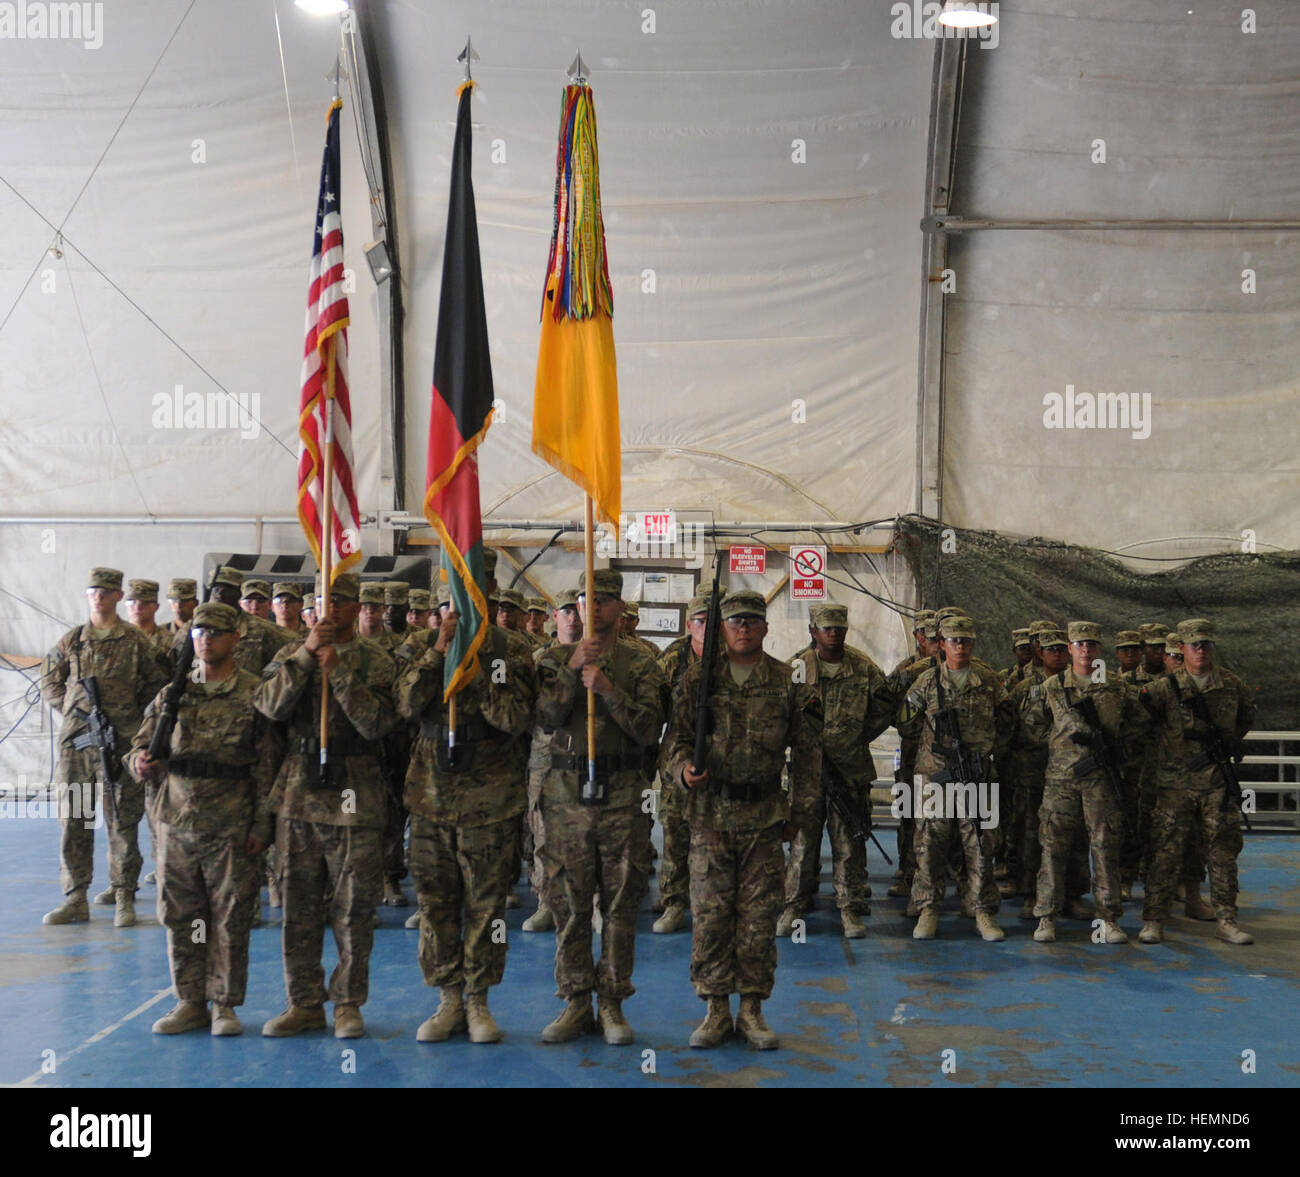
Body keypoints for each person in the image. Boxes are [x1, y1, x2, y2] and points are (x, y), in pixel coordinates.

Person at [664, 588, 817, 1050]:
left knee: (757, 920)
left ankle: (751, 1010)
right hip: (711, 816)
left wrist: (800, 814)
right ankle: (714, 1009)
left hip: (765, 818)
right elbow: (674, 742)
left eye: (752, 620)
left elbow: (808, 755)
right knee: (711, 918)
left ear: (767, 628)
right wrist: (682, 771)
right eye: (735, 621)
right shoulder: (697, 681)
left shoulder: (786, 680)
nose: (744, 627)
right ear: (722, 628)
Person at [253, 573, 399, 1038]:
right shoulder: (287, 656)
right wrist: (304, 658)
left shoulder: (378, 660)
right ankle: (304, 1002)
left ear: (358, 607)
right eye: (323, 600)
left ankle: (348, 1003)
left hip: (355, 796)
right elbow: (270, 708)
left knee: (354, 910)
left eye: (341, 600)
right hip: (297, 799)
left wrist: (337, 672)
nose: (331, 608)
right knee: (298, 909)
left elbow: (376, 723)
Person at [394, 593, 538, 1042]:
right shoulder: (419, 644)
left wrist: (475, 676)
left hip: (489, 795)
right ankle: (448, 997)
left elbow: (515, 718)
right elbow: (404, 706)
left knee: (487, 907)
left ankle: (479, 998)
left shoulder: (510, 651)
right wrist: (439, 654)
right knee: (435, 903)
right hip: (431, 792)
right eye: (449, 603)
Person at [127, 602, 276, 1035]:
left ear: (235, 638)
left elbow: (268, 765)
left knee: (229, 915)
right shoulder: (173, 693)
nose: (205, 638)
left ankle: (225, 1003)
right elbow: (139, 746)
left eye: (215, 631)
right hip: (176, 822)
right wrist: (140, 762)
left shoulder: (254, 692)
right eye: (198, 631)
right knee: (184, 916)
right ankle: (191, 999)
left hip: (231, 823)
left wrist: (262, 826)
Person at [532, 569, 667, 1045]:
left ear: (620, 610)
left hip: (622, 791)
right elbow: (544, 717)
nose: (597, 608)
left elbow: (650, 729)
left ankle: (611, 1002)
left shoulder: (642, 663)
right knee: (568, 901)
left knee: (620, 901)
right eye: (589, 599)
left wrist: (608, 689)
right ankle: (573, 1000)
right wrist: (572, 670)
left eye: (607, 599)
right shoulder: (550, 658)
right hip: (567, 793)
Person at [41, 567, 172, 928]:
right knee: (77, 821)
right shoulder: (72, 641)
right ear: (87, 596)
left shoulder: (135, 641)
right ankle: (75, 897)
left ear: (118, 597)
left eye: (107, 591)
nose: (99, 595)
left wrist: (133, 723)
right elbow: (50, 682)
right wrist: (73, 711)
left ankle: (124, 895)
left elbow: (157, 687)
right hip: (78, 747)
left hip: (121, 745)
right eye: (94, 590)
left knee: (123, 821)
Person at [1022, 622, 1144, 944]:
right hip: (1061, 781)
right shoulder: (1051, 686)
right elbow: (1032, 725)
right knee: (1052, 848)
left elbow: (1138, 723)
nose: (1085, 650)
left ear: (1099, 649)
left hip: (1101, 782)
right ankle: (1046, 916)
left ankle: (1108, 918)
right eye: (1079, 644)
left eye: (1091, 644)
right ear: (1070, 648)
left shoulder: (1115, 686)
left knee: (1105, 848)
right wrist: (1059, 744)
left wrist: (1117, 749)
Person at [778, 602, 893, 940]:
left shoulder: (863, 667)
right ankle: (794, 903)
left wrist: (857, 737)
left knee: (849, 843)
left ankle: (850, 905)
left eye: (839, 628)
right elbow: (779, 713)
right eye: (827, 628)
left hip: (850, 771)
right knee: (802, 842)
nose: (833, 633)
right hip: (807, 772)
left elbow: (884, 706)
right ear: (813, 631)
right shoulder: (796, 668)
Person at [1138, 619, 1256, 946]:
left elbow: (1244, 720)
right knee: (1165, 852)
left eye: (1205, 644)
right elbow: (1142, 728)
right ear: (1182, 650)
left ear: (1213, 647)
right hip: (1175, 786)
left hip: (1217, 784)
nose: (1200, 650)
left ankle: (1226, 919)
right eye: (1194, 645)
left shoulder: (1232, 686)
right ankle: (1154, 919)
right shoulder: (1163, 689)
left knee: (1223, 852)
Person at [898, 615, 1014, 942]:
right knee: (930, 844)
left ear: (973, 643)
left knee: (981, 842)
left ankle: (981, 909)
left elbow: (1008, 722)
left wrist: (988, 751)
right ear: (942, 644)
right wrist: (929, 753)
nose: (959, 646)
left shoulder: (989, 681)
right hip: (936, 776)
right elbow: (905, 723)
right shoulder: (926, 681)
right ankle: (928, 908)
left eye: (965, 640)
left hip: (977, 775)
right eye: (953, 640)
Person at [649, 592, 714, 934]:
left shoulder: (731, 655)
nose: (706, 627)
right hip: (677, 756)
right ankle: (674, 902)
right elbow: (653, 707)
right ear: (690, 625)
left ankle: (711, 903)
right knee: (674, 830)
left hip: (719, 758)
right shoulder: (673, 657)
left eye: (712, 620)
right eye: (700, 621)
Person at [125, 579, 173, 662]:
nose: (137, 608)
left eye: (144, 603)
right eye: (132, 602)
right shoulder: (116, 637)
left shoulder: (169, 641)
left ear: (156, 607)